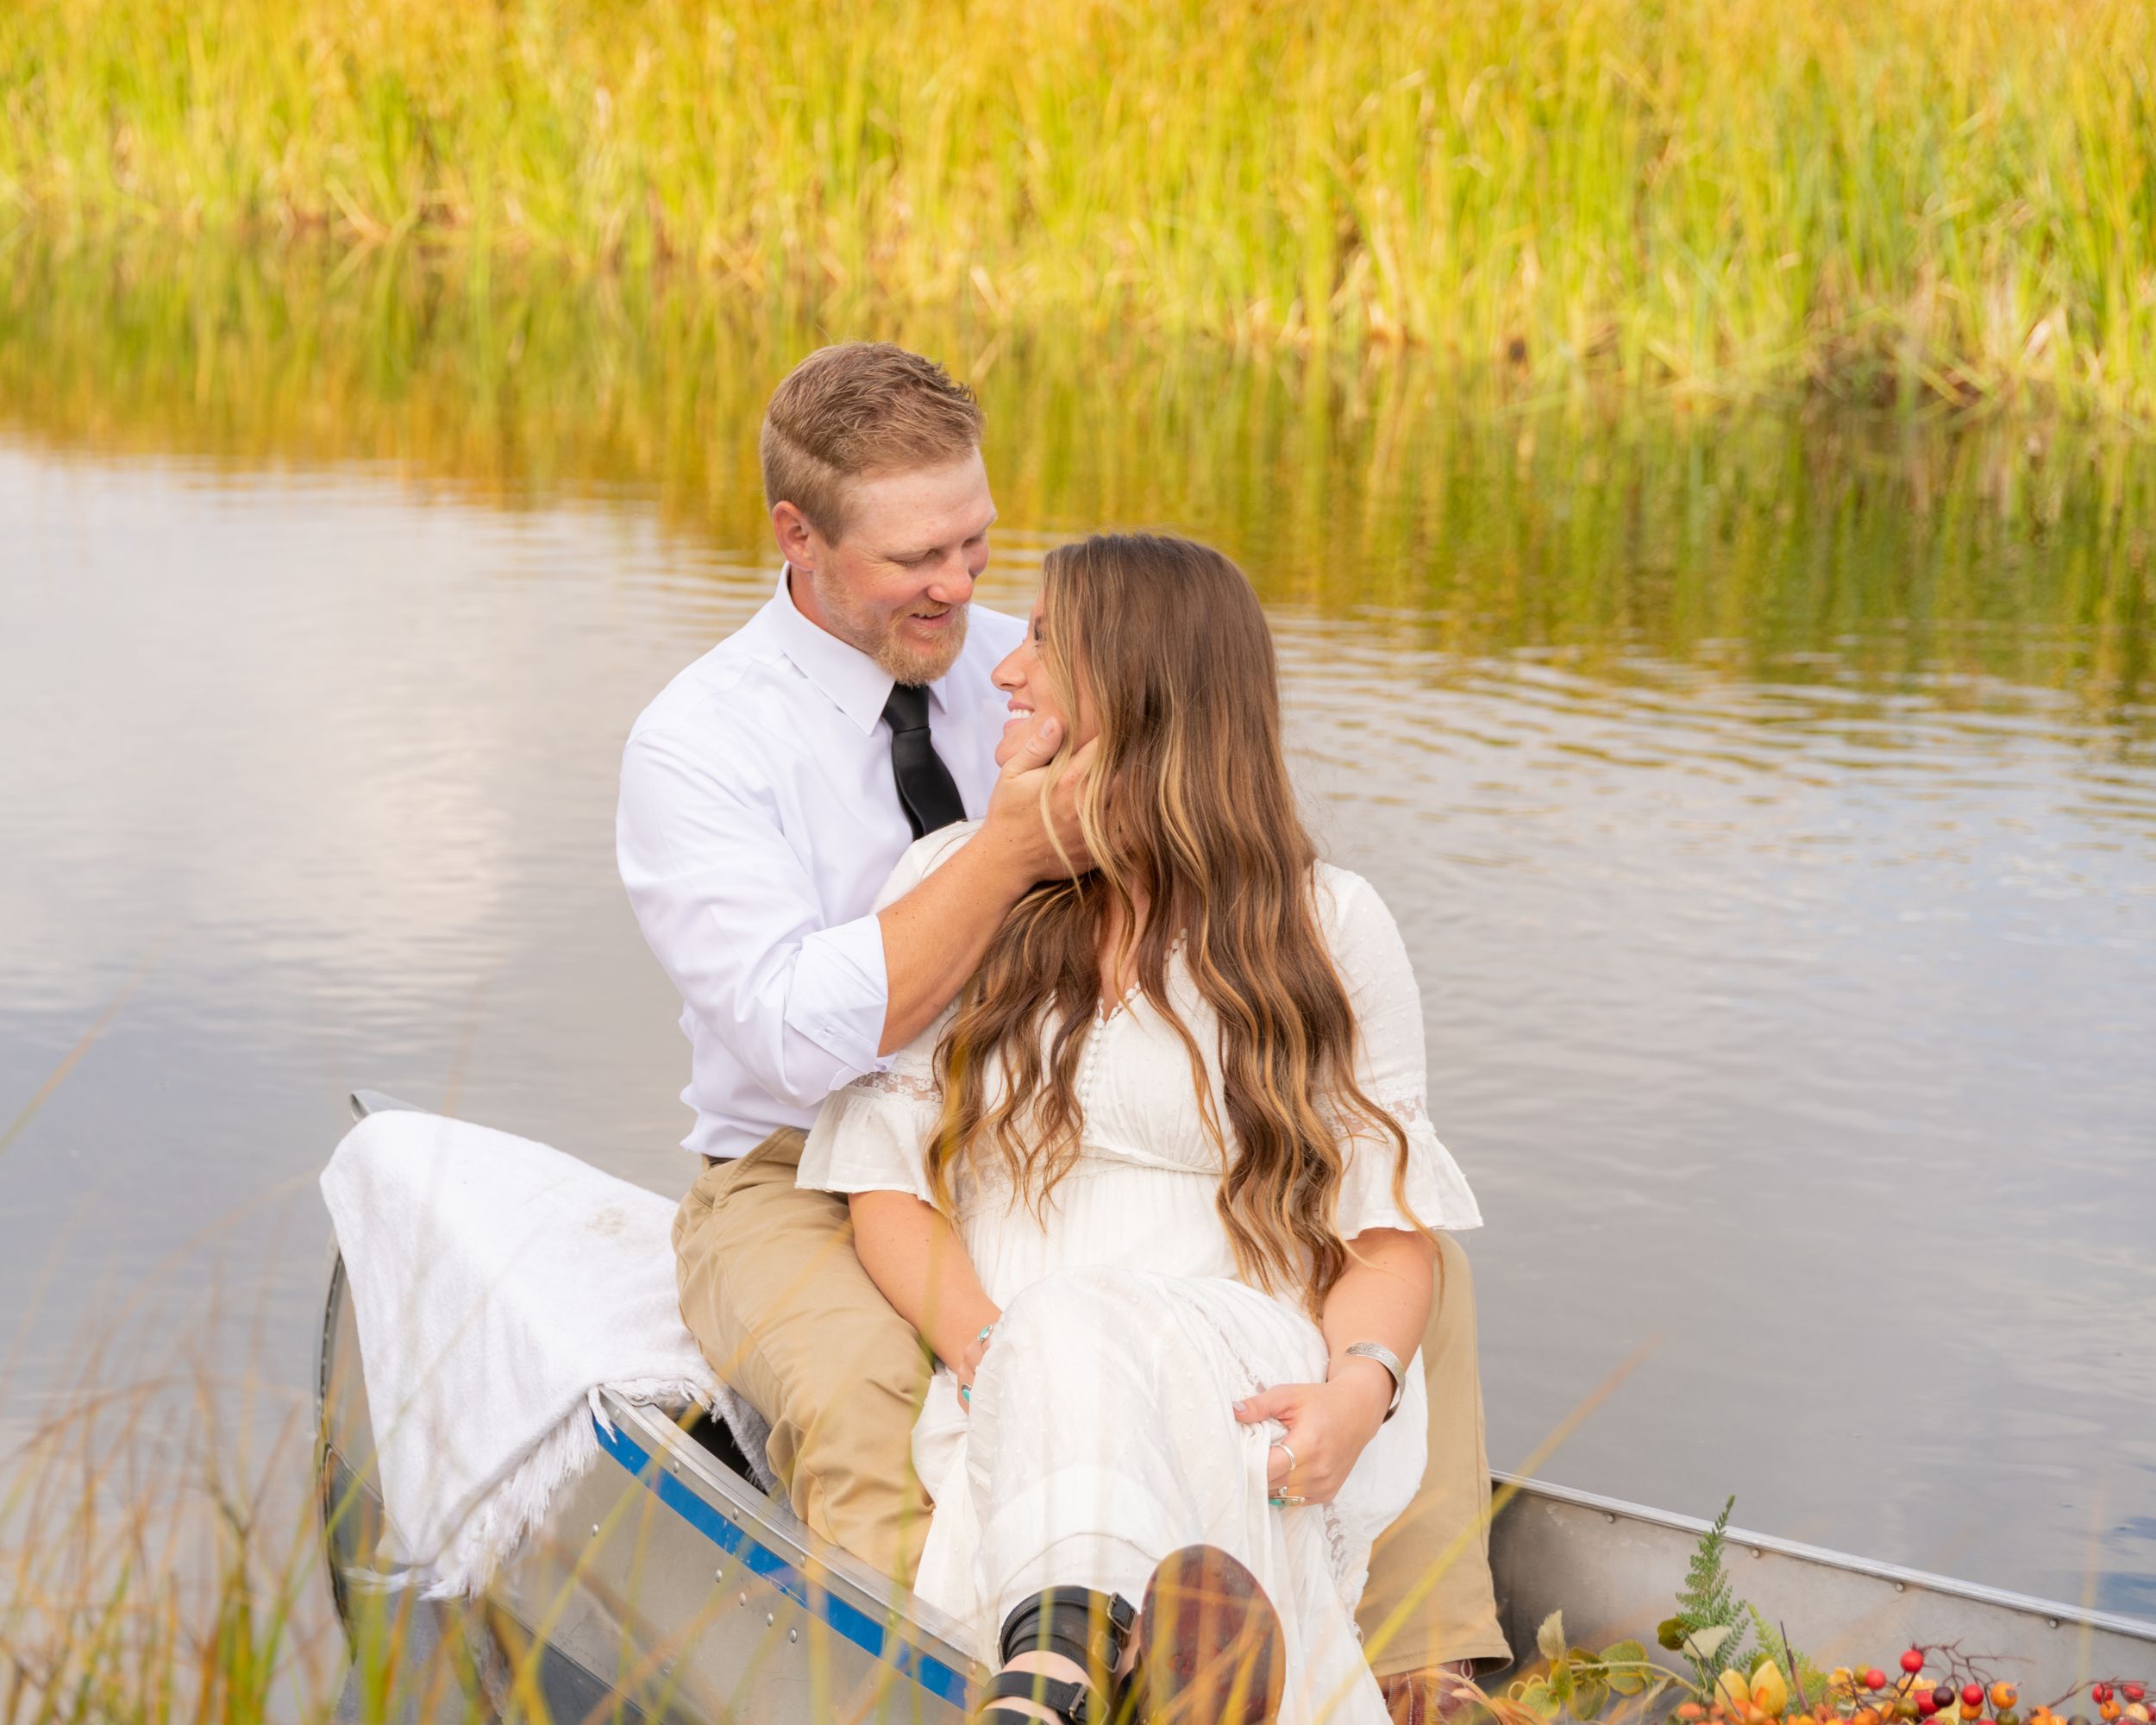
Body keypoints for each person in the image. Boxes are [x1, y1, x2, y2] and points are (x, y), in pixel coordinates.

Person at [616, 344, 1509, 1720]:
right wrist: (1007, 852)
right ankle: (939, 1684)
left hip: (1037, 1119)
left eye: (978, 543)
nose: (966, 598)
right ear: (800, 536)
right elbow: (806, 1048)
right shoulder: (703, 746)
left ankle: (1416, 1659)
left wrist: (1350, 1359)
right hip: (799, 1153)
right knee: (865, 1400)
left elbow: (1195, 802)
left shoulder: (1017, 661)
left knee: (1404, 1254)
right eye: (920, 558)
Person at [795, 533, 1482, 1725]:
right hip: (1012, 1371)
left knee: (1086, 1332)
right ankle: (1142, 1658)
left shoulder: (1327, 924)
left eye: (1047, 637)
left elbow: (1389, 1229)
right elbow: (885, 1188)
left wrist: (1357, 1396)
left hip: (1239, 1379)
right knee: (1066, 1346)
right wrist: (994, 1357)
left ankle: (1053, 1673)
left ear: (1144, 685)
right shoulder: (960, 879)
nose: (1005, 668)